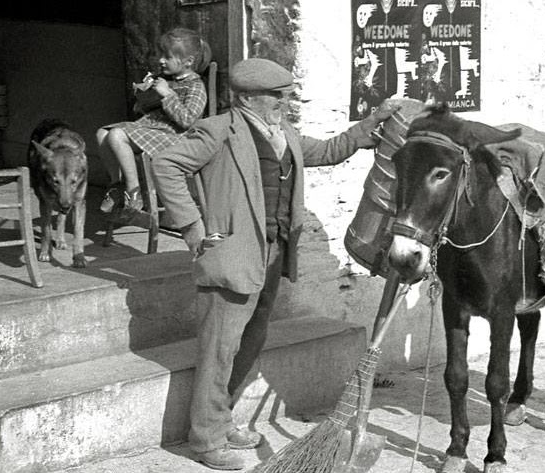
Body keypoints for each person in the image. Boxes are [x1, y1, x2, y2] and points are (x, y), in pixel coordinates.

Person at [152, 57, 399, 471]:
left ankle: (222, 418)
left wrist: (372, 123)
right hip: (232, 255)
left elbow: (328, 151)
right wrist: (193, 228)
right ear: (247, 96)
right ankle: (206, 439)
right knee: (220, 349)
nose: (283, 101)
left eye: (285, 93)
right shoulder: (218, 130)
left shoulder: (282, 132)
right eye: (276, 95)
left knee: (250, 341)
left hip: (272, 253)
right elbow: (166, 165)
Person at [96, 27, 211, 221]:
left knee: (116, 134)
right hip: (151, 130)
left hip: (174, 137)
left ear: (188, 62)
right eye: (161, 55)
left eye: (167, 57)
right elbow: (144, 111)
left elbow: (188, 120)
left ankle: (134, 192)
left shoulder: (196, 87)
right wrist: (145, 94)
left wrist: (168, 95)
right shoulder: (164, 80)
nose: (161, 60)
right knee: (102, 133)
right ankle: (117, 186)